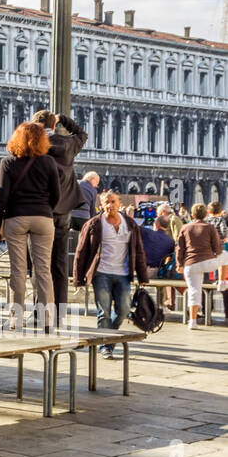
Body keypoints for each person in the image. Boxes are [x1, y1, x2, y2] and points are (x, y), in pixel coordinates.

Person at [0, 121, 62, 330]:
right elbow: (56, 195)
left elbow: (1, 198)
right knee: (43, 270)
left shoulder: (9, 163)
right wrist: (44, 209)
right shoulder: (49, 162)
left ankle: (16, 318)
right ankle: (47, 318)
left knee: (18, 270)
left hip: (16, 219)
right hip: (43, 218)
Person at [74, 191, 149, 355]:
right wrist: (78, 278)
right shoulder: (94, 224)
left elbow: (139, 250)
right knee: (104, 312)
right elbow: (81, 252)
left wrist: (143, 276)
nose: (110, 205)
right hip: (101, 273)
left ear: (119, 203)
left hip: (123, 273)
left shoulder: (129, 224)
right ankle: (105, 346)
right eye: (106, 202)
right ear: (101, 205)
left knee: (124, 309)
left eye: (113, 202)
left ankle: (109, 338)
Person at [31, 110, 87, 317]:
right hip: (63, 210)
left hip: (40, 208)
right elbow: (82, 134)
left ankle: (40, 310)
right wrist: (63, 119)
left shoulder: (33, 145)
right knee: (60, 262)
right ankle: (60, 311)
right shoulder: (68, 144)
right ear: (54, 125)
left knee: (40, 263)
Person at [176, 203, 225, 328]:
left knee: (194, 291)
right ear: (206, 214)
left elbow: (180, 248)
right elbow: (218, 248)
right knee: (226, 255)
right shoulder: (210, 227)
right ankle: (222, 281)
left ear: (192, 215)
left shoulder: (185, 228)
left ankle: (192, 321)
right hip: (207, 262)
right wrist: (215, 255)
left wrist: (179, 264)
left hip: (190, 264)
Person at [139, 215, 176, 280]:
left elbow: (133, 226)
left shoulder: (147, 233)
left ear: (157, 224)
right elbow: (170, 258)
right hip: (159, 272)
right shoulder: (171, 241)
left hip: (142, 270)